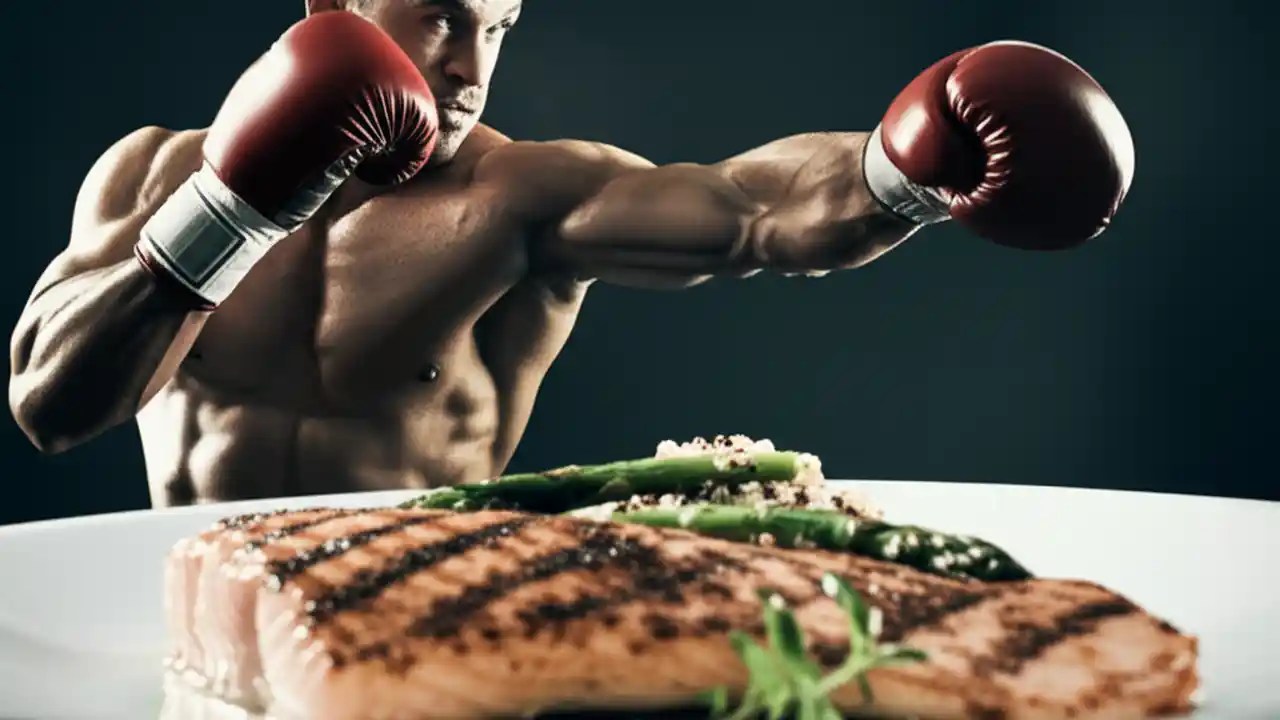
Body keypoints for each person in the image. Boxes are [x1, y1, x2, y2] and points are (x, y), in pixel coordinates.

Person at [7, 1, 1134, 508]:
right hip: (188, 612)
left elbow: (751, 213)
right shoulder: (156, 174)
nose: (469, 71)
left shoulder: (517, 196)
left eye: (497, 30)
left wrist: (909, 169)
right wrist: (232, 209)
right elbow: (51, 405)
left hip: (417, 630)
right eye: (442, 18)